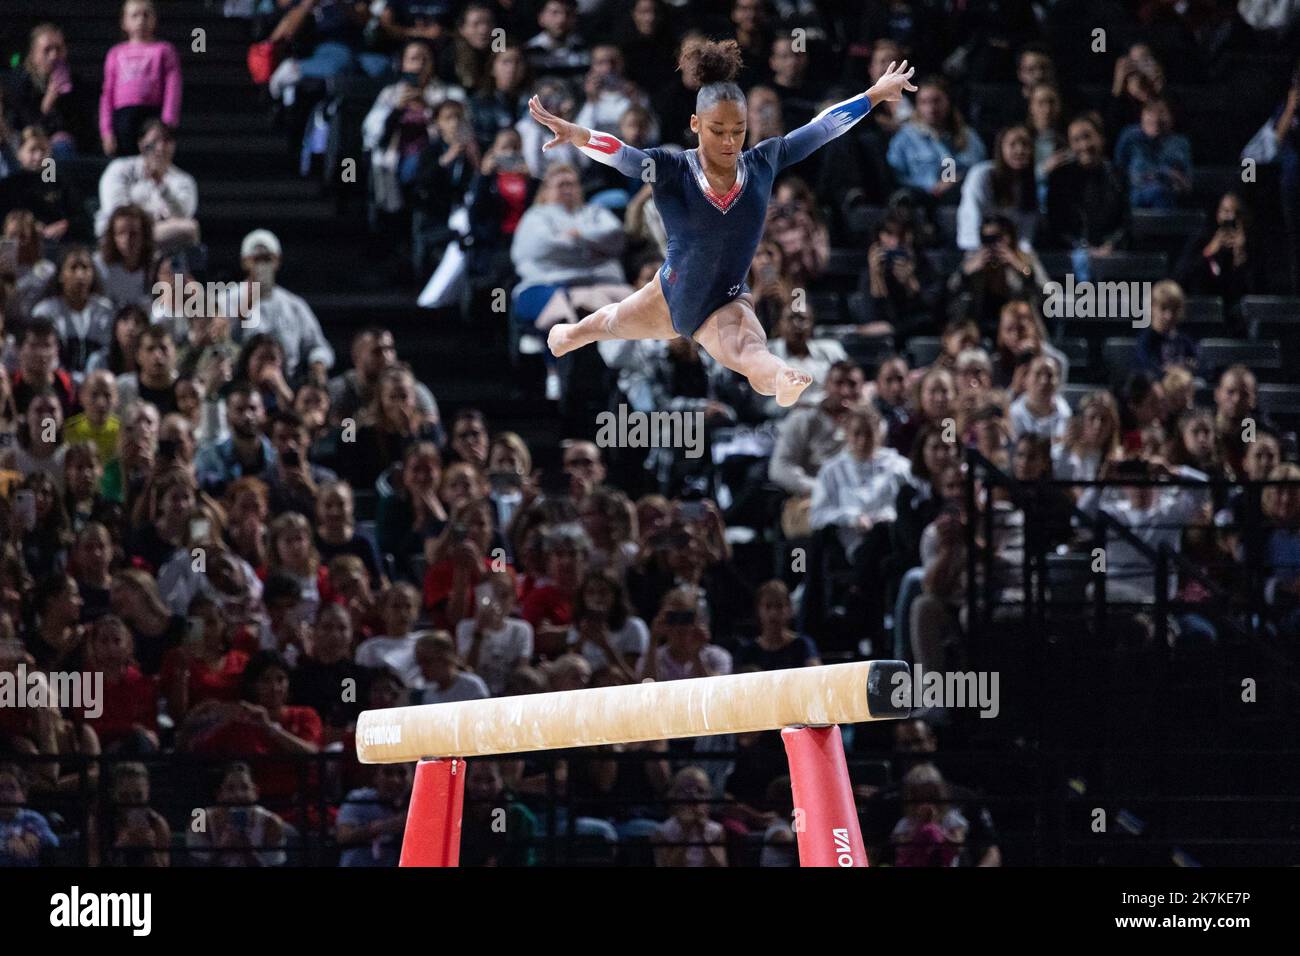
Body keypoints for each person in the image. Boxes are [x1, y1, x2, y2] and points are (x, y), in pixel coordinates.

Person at [531, 40, 917, 407]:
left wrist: (874, 94)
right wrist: (579, 135)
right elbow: (622, 154)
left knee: (749, 350)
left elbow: (823, 127)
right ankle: (570, 334)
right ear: (696, 124)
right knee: (610, 323)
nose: (730, 142)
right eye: (718, 130)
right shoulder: (671, 169)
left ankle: (782, 378)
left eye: (738, 130)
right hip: (670, 295)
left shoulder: (763, 161)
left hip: (727, 301)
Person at [225, 230, 334, 385]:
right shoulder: (225, 299)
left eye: (267, 259)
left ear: (277, 262)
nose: (262, 265)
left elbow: (319, 347)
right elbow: (219, 345)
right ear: (245, 262)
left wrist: (318, 364)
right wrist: (241, 312)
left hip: (287, 383)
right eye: (256, 259)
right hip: (240, 385)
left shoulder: (294, 305)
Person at [99, 0, 182, 157]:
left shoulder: (164, 50)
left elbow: (173, 87)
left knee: (152, 157)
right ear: (124, 22)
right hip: (123, 117)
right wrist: (106, 131)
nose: (141, 20)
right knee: (126, 159)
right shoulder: (115, 53)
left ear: (154, 19)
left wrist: (168, 122)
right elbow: (107, 94)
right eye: (135, 15)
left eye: (146, 15)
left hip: (152, 114)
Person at [1043, 112, 1128, 253]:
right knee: (1071, 268)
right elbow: (1056, 226)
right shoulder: (1059, 178)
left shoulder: (1117, 176)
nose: (1084, 145)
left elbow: (1125, 221)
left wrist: (1110, 245)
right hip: (1071, 257)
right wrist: (1082, 248)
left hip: (1110, 256)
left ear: (1101, 138)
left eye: (1088, 137)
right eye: (1076, 140)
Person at [1114, 97, 1192, 211]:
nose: (1156, 119)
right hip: (1134, 196)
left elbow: (1187, 185)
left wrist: (1172, 179)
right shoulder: (1130, 137)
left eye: (1161, 112)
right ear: (1142, 115)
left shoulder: (1180, 143)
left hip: (1169, 199)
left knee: (1160, 193)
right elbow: (1117, 172)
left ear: (1172, 117)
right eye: (1150, 112)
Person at [337, 763, 412, 867]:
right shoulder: (359, 799)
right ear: (376, 776)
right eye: (388, 773)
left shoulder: (414, 805)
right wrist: (385, 826)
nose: (395, 780)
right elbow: (343, 836)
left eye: (402, 773)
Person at [735, 580, 821, 670]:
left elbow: (817, 673)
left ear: (789, 609)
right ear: (759, 610)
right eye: (768, 606)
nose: (773, 613)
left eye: (779, 606)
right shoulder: (747, 652)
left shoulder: (802, 646)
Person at [652, 766, 727, 867]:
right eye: (686, 790)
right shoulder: (663, 832)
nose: (694, 796)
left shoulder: (716, 830)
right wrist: (686, 833)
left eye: (700, 791)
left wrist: (703, 835)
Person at [0, 764, 59, 866]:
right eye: (0, 789)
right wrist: (6, 844)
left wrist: (37, 835)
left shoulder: (33, 818)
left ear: (23, 795)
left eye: (12, 788)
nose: (5, 795)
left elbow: (54, 841)